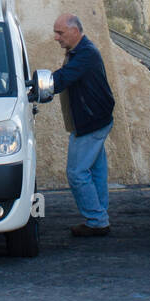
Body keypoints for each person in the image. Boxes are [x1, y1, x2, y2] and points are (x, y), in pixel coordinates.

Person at [50, 14, 115, 237]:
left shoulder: (85, 53)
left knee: (77, 173)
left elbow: (63, 78)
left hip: (91, 122)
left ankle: (97, 220)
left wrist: (34, 87)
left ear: (75, 31)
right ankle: (100, 217)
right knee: (96, 171)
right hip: (96, 119)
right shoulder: (80, 50)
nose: (56, 38)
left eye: (60, 33)